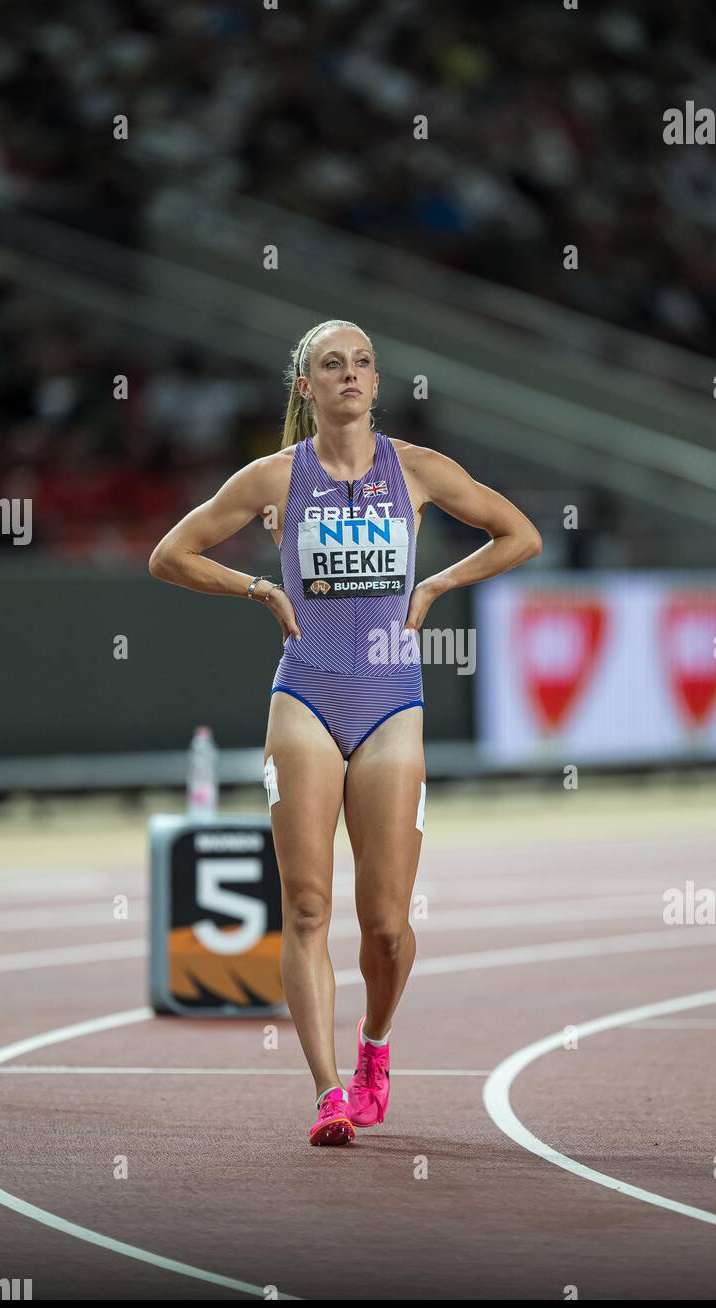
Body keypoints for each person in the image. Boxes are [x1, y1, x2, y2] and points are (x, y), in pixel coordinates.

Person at [149, 318, 542, 1145]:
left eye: (363, 362)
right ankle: (329, 1092)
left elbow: (520, 534)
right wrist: (257, 588)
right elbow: (169, 554)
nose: (352, 375)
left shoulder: (419, 470)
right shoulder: (273, 478)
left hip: (393, 699)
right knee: (305, 906)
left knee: (389, 925)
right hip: (306, 697)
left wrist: (436, 582)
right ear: (307, 386)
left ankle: (374, 1048)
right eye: (333, 365)